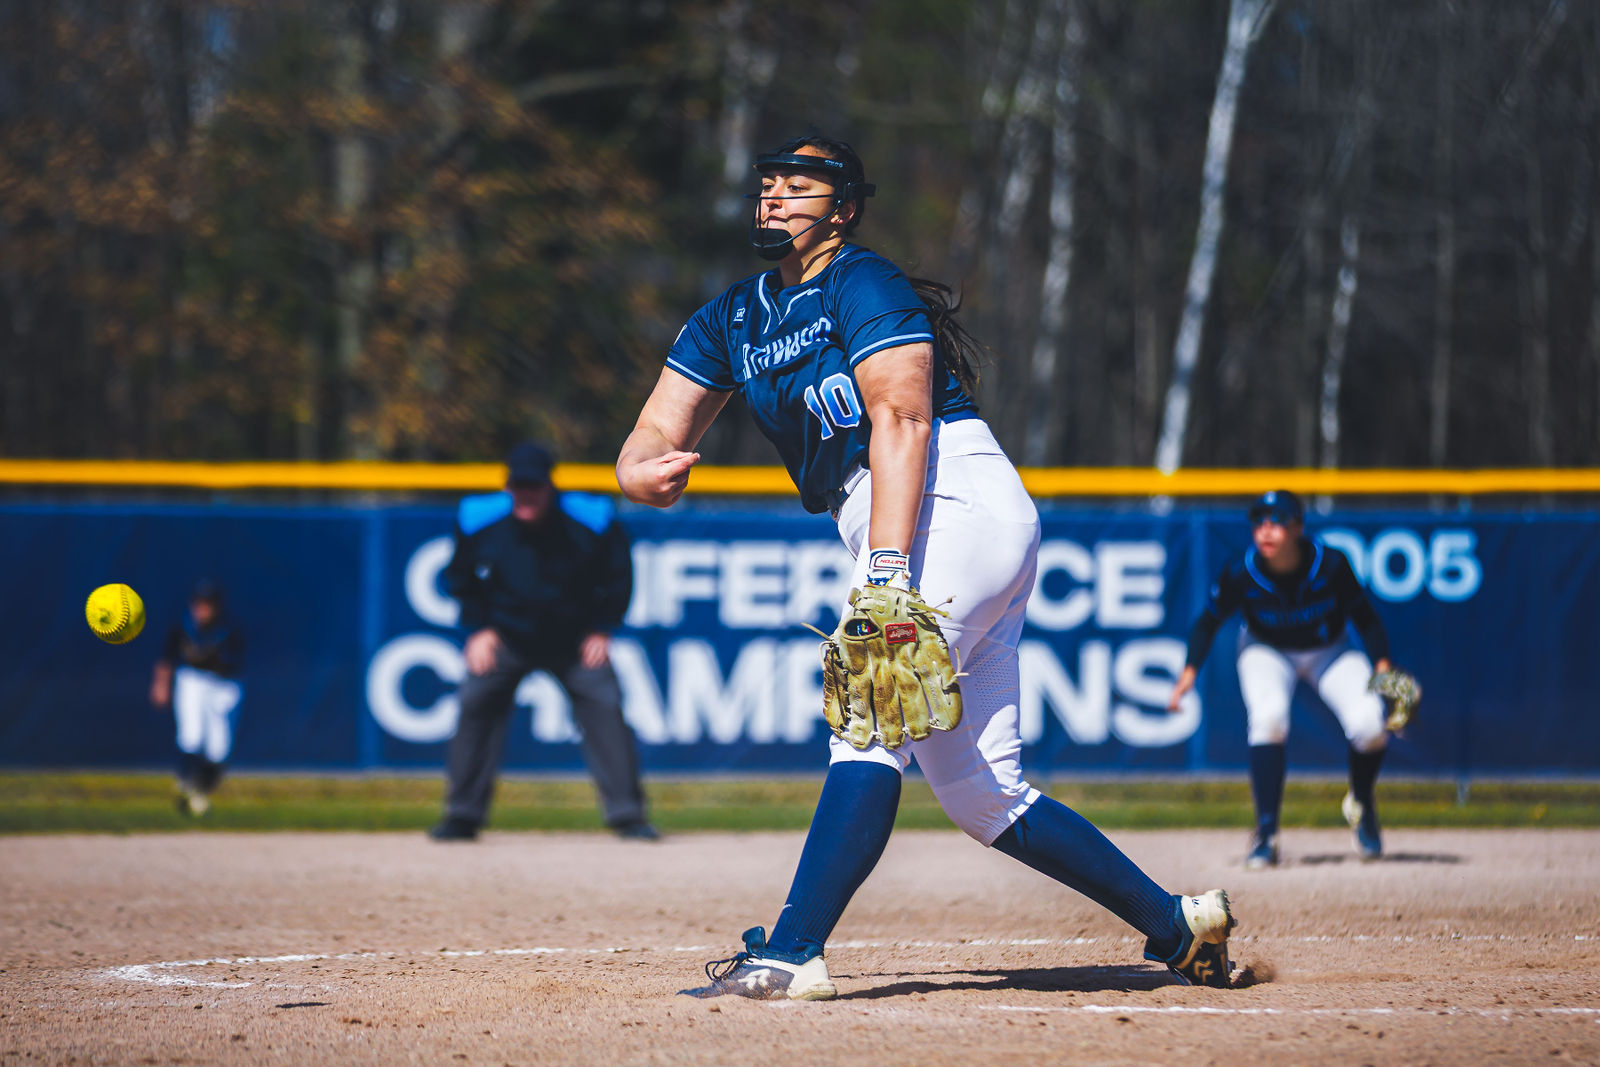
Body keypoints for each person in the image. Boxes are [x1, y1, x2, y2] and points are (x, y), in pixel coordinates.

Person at [615, 132, 1238, 998]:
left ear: (845, 207)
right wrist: (638, 471)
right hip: (916, 522)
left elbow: (903, 422)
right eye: (769, 185)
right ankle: (1181, 927)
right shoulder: (733, 315)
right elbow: (651, 435)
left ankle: (792, 950)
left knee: (866, 715)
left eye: (800, 186)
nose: (776, 198)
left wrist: (886, 572)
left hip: (948, 504)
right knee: (984, 794)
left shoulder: (861, 279)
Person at [429, 442, 657, 843]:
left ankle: (628, 815)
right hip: (507, 637)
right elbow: (459, 578)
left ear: (550, 486)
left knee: (606, 708)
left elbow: (620, 576)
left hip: (575, 640)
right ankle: (461, 815)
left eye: (533, 486)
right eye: (518, 486)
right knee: (474, 704)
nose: (525, 495)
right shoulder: (480, 519)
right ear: (508, 486)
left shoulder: (590, 519)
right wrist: (479, 628)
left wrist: (603, 629)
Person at [1166, 489, 1395, 867]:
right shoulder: (1242, 572)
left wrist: (1382, 668)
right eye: (1259, 522)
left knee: (1370, 725)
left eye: (1278, 522)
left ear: (1299, 527)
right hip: (1266, 650)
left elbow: (1367, 621)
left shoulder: (1331, 565)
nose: (1266, 531)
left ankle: (1361, 801)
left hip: (1330, 649)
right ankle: (1266, 833)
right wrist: (1189, 673)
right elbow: (1207, 623)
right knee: (1269, 718)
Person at [149, 580, 244, 817]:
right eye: (199, 604)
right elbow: (167, 658)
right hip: (192, 681)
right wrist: (161, 685)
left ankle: (200, 791)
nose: (202, 609)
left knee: (219, 749)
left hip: (221, 686)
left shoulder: (228, 629)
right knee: (191, 734)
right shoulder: (183, 625)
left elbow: (233, 665)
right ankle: (187, 786)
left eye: (207, 605)